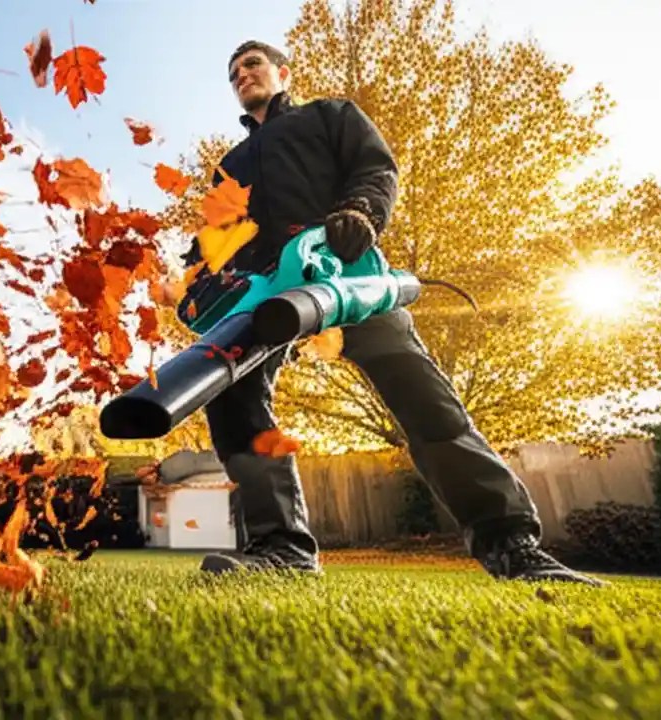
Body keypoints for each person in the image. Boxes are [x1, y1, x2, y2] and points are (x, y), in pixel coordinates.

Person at [183, 40, 603, 586]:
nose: (243, 75)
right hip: (260, 293)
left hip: (344, 269)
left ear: (282, 73)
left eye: (252, 64)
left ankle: (511, 545)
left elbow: (375, 169)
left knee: (423, 397)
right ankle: (280, 547)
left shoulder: (329, 115)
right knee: (234, 401)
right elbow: (213, 233)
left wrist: (360, 212)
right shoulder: (231, 165)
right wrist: (197, 274)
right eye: (234, 71)